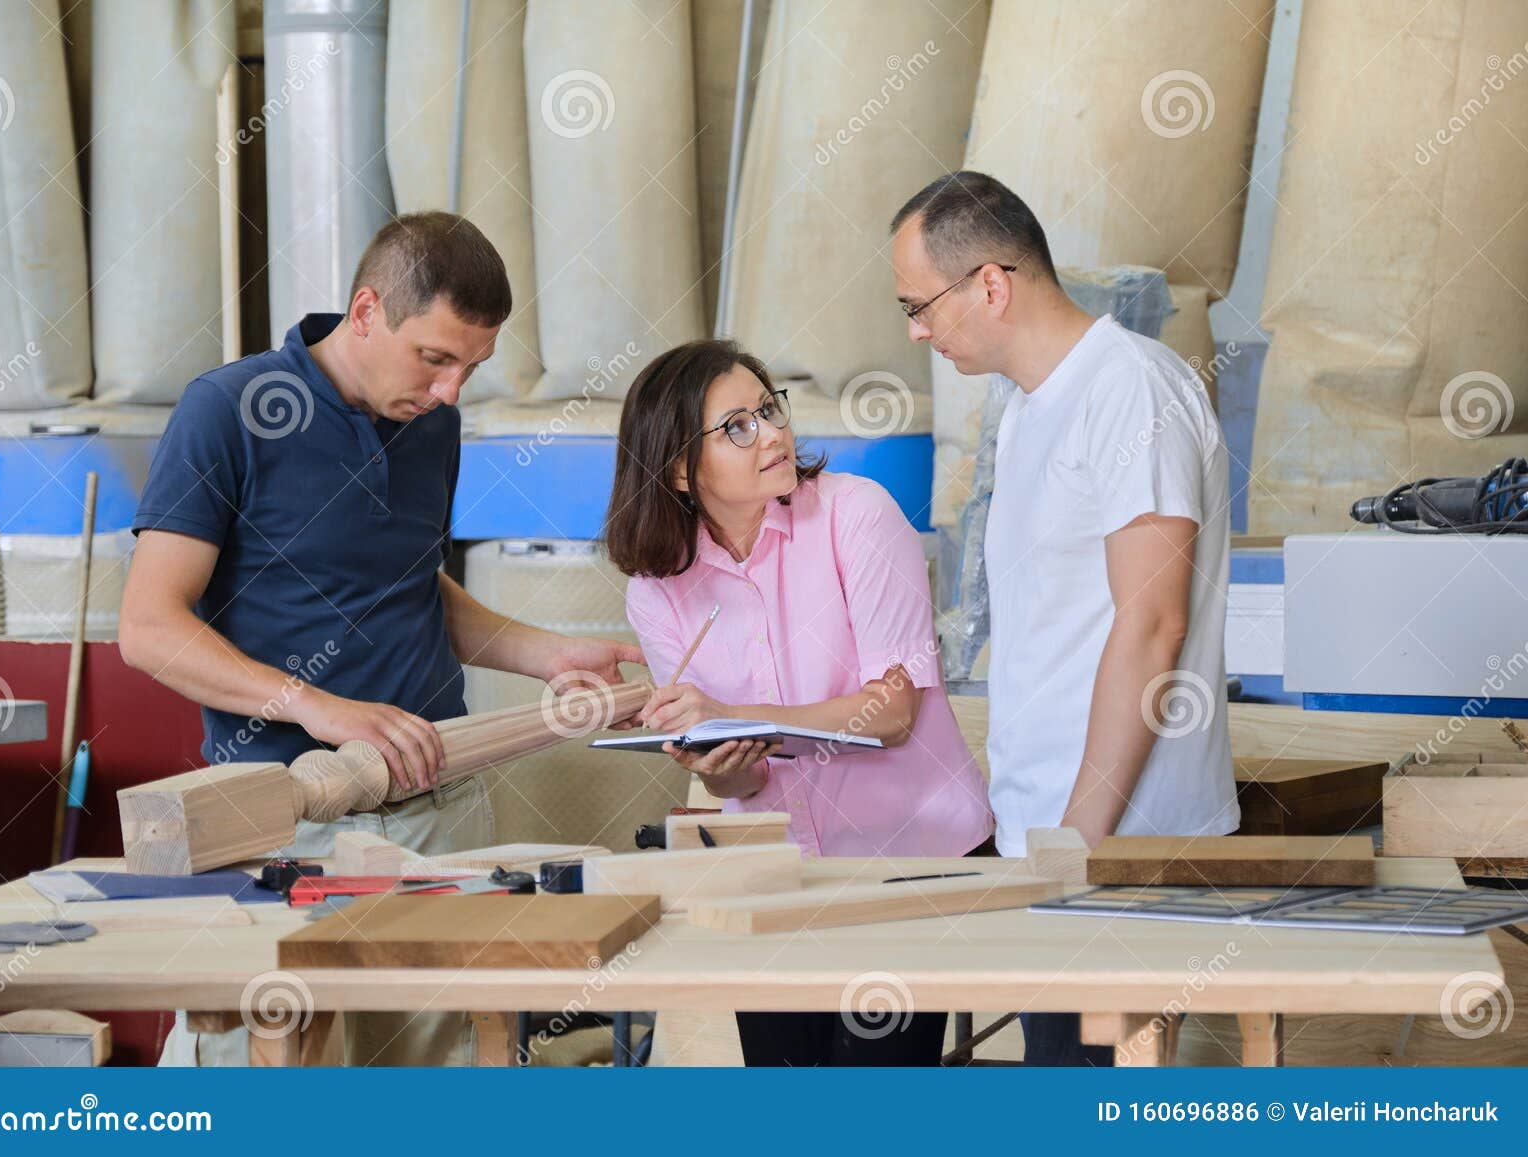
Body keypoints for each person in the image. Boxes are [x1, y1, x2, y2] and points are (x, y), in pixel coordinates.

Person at [120, 211, 641, 1065]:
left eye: (471, 367)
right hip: (288, 823)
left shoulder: (431, 421)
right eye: (435, 357)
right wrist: (321, 709)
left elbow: (409, 584)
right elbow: (148, 627)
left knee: (437, 1096)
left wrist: (545, 652)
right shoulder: (230, 410)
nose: (449, 391)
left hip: (446, 807)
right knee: (272, 1084)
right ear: (365, 311)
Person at [890, 171, 1239, 1066]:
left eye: (920, 306)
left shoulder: (1132, 390)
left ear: (992, 285)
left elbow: (1152, 622)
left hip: (1121, 852)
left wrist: (1080, 843)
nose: (917, 331)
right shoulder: (1026, 411)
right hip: (1055, 845)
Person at [605, 338, 994, 1066]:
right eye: (739, 426)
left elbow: (891, 712)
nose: (775, 432)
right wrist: (717, 758)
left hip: (909, 863)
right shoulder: (656, 589)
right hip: (778, 875)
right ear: (680, 469)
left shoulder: (857, 516)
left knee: (874, 1111)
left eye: (769, 408)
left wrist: (736, 714)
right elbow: (742, 780)